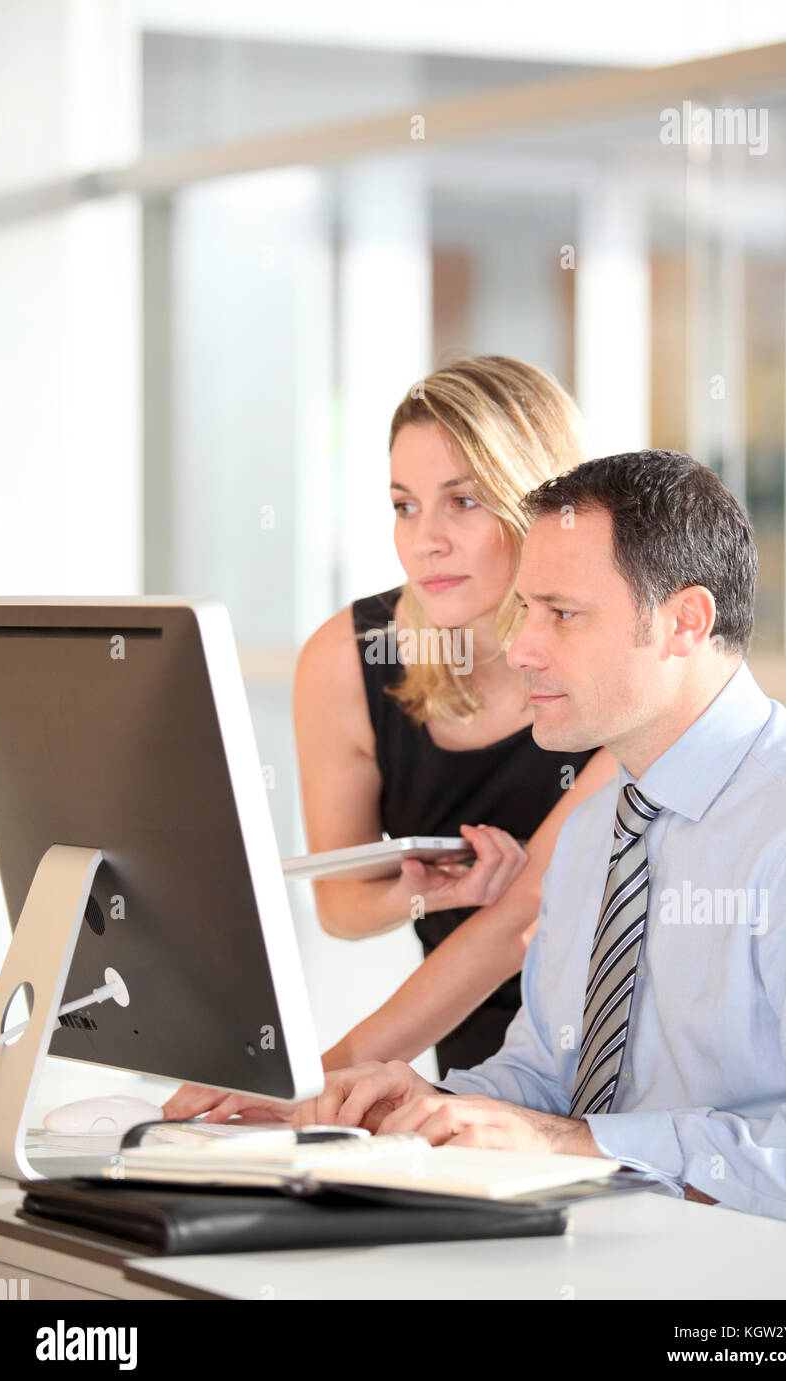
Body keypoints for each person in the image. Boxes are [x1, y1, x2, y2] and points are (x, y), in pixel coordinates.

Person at [281, 449, 786, 1239]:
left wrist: (574, 1146)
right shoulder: (596, 826)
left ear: (685, 622)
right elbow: (549, 1077)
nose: (521, 650)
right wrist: (422, 1105)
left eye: (563, 614)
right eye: (525, 611)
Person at [164, 358, 617, 1124]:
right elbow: (342, 904)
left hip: (619, 1064)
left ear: (541, 507)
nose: (426, 541)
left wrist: (310, 1083)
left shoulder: (608, 662)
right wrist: (422, 891)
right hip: (464, 1063)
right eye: (405, 506)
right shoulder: (349, 658)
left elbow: (518, 924)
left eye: (464, 501)